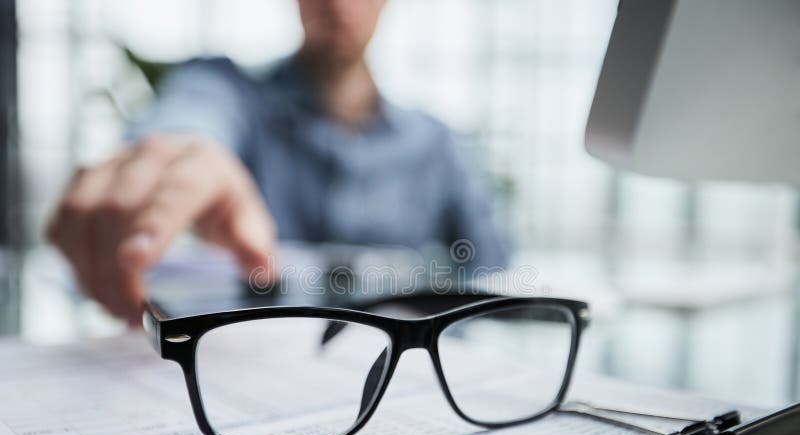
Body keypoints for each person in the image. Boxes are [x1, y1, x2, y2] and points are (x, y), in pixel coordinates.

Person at [46, 0, 507, 325]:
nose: (338, 4)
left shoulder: (435, 144)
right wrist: (181, 154)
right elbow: (193, 118)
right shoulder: (231, 92)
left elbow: (493, 269)